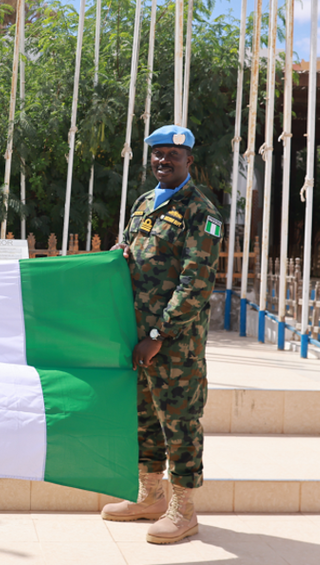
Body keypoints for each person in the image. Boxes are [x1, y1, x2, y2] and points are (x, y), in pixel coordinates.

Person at [101, 124, 223, 544]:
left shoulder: (201, 212)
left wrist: (158, 334)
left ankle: (184, 509)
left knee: (180, 423)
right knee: (144, 420)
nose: (163, 160)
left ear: (189, 159)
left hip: (174, 344)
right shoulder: (143, 203)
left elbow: (196, 283)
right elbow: (126, 250)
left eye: (173, 153)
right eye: (156, 153)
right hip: (134, 337)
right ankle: (150, 496)